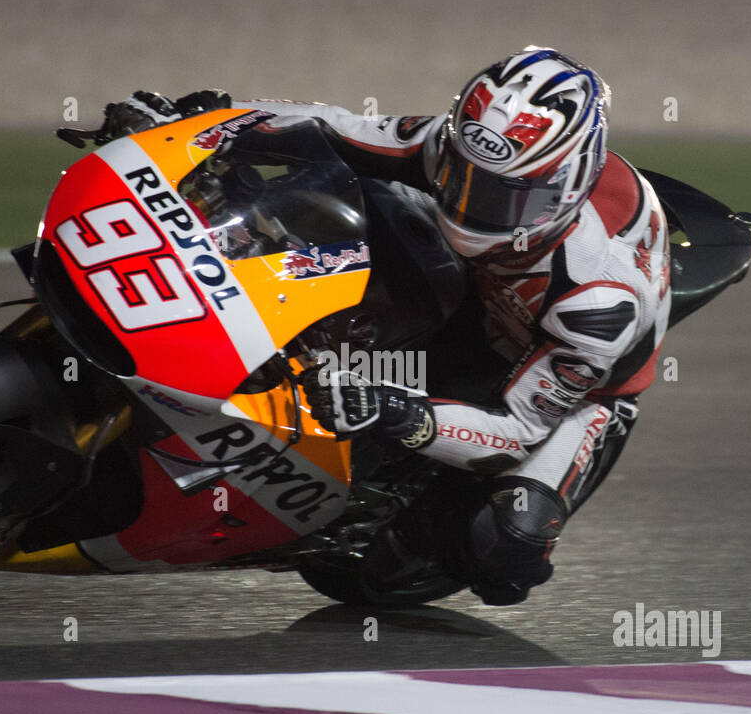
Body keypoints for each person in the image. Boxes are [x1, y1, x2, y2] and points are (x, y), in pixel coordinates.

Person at [100, 46, 671, 605]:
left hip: (567, 376)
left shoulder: (598, 299)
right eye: (461, 177)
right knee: (335, 202)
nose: (471, 206)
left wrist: (393, 409)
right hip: (482, 288)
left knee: (506, 548)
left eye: (505, 199)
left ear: (567, 189)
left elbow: (516, 428)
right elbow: (334, 127)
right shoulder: (447, 146)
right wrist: (201, 125)